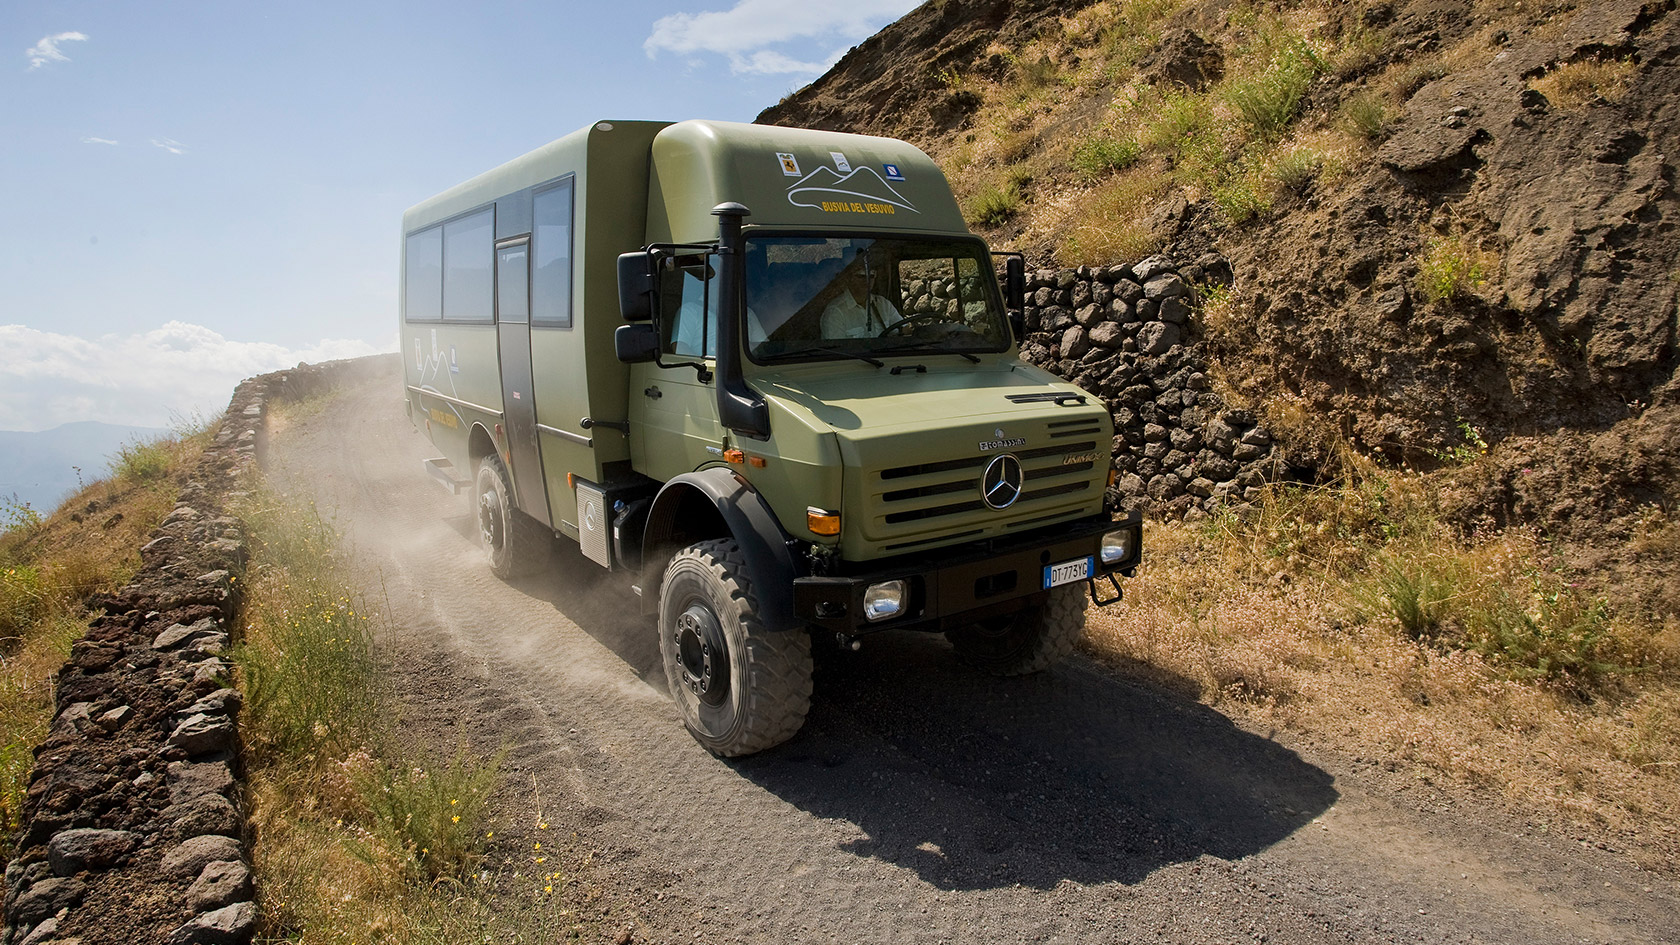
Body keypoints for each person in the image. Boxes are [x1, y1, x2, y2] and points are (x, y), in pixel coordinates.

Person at [820, 267, 902, 339]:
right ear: (848, 278)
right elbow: (837, 352)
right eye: (861, 276)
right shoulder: (835, 312)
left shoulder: (884, 304)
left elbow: (904, 329)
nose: (867, 281)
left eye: (871, 276)